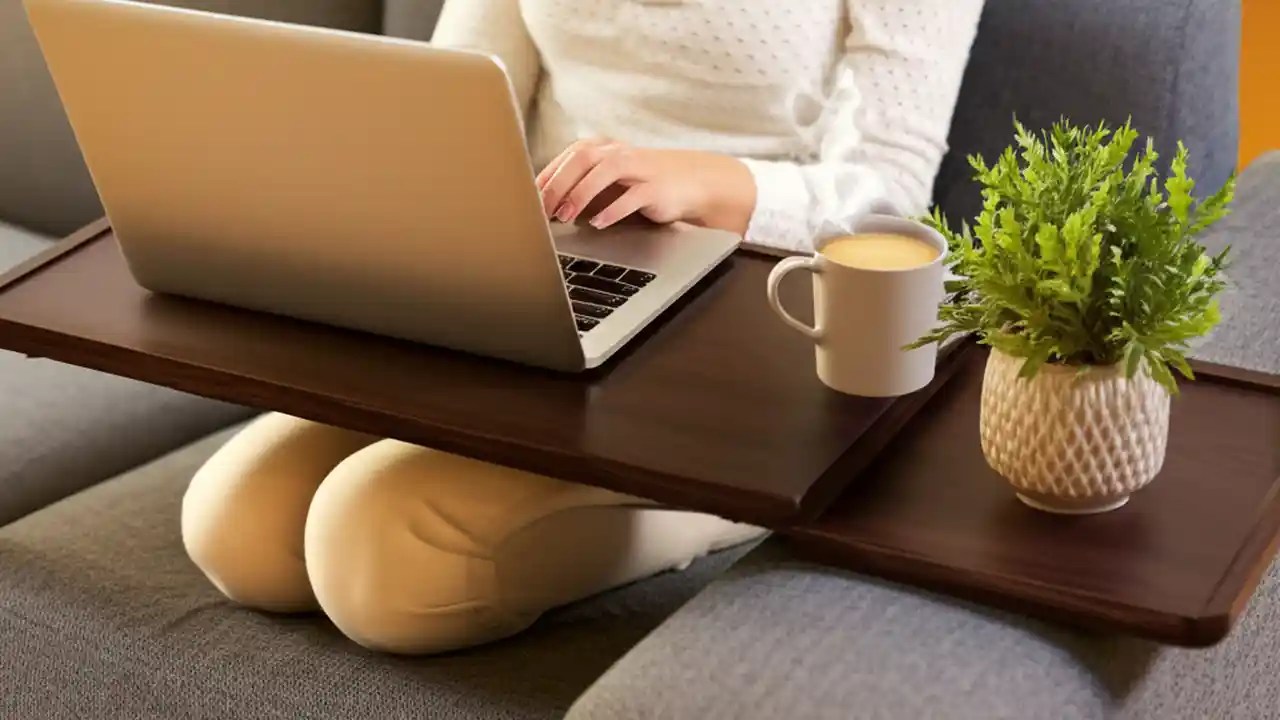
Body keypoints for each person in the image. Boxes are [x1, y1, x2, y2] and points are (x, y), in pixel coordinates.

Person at [182, 0, 985, 655]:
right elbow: (452, 92)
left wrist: (700, 180)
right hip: (543, 282)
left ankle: (732, 507)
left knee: (380, 562)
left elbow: (886, 196)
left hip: (750, 326)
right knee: (238, 529)